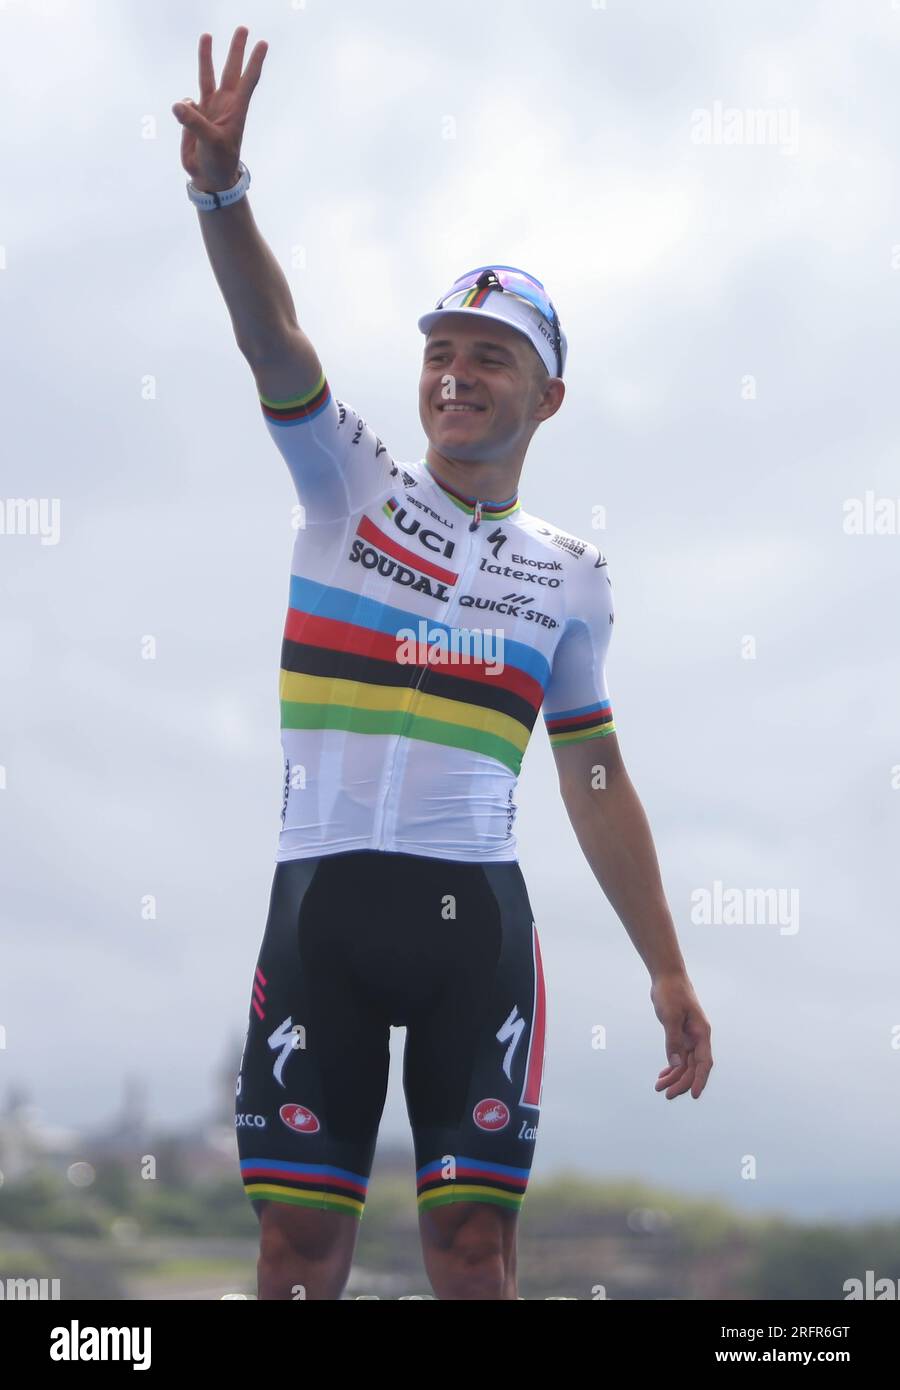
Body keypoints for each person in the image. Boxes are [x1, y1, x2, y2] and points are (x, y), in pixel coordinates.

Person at [172, 26, 713, 1302]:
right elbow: (272, 341)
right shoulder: (348, 483)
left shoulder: (572, 573)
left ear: (548, 394)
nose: (455, 376)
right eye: (441, 353)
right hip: (322, 921)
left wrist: (668, 964)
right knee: (297, 1252)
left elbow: (596, 780)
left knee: (474, 1254)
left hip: (478, 930)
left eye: (490, 356)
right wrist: (220, 193)